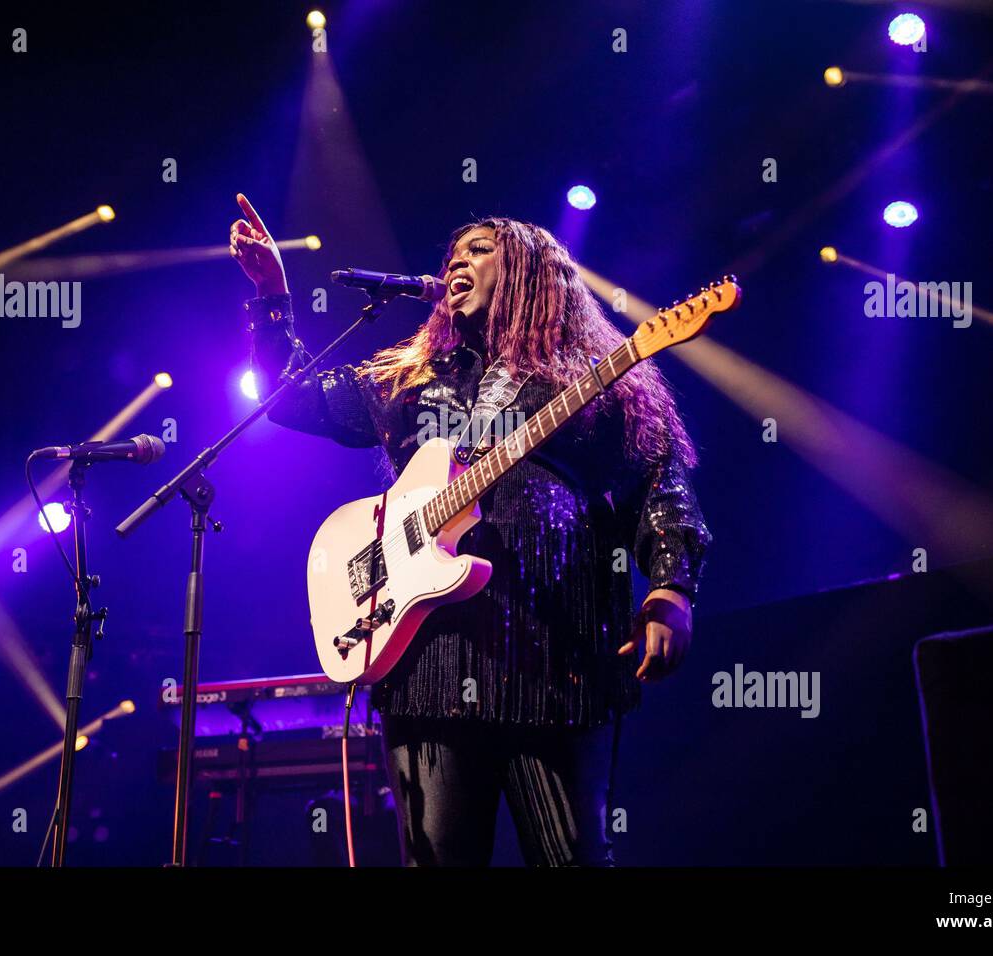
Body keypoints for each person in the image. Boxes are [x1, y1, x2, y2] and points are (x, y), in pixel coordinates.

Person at [230, 194, 710, 866]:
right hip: (428, 664)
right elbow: (290, 394)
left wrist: (671, 588)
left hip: (556, 661)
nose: (458, 260)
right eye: (453, 255)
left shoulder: (598, 382)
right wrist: (273, 296)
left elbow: (660, 479)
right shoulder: (410, 378)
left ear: (530, 274)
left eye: (480, 251)